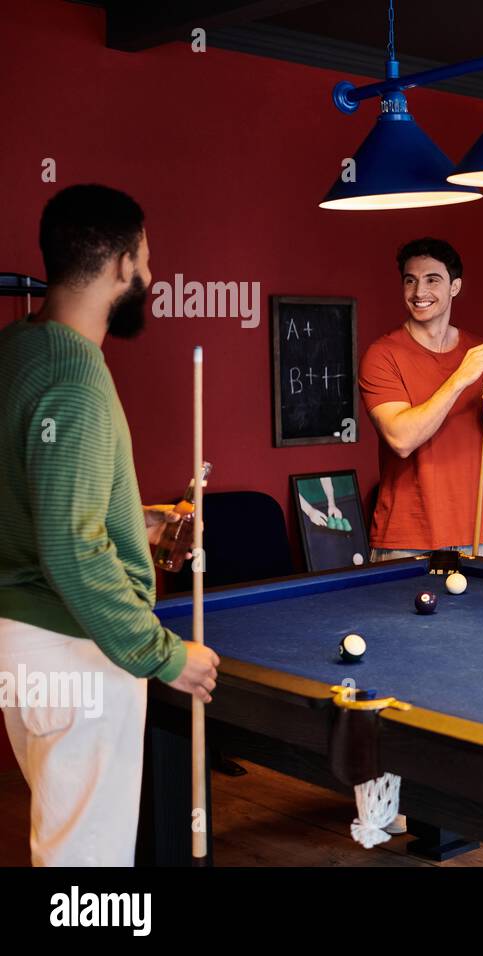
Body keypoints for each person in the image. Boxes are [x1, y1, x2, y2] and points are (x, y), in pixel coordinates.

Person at [0, 184, 219, 866]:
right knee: (83, 866)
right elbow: (71, 549)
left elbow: (30, 495)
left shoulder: (17, 349)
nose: (150, 277)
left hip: (24, 643)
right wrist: (164, 655)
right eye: (146, 260)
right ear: (124, 264)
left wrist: (141, 521)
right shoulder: (75, 378)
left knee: (65, 842)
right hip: (75, 651)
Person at [360, 238, 483, 563]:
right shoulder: (382, 355)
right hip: (403, 540)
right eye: (410, 280)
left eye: (432, 279)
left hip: (470, 538)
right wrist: (460, 378)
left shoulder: (481, 353)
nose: (419, 292)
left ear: (455, 287)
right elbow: (401, 439)